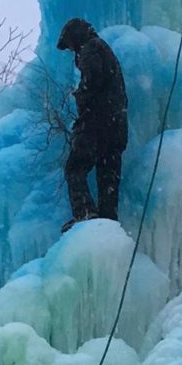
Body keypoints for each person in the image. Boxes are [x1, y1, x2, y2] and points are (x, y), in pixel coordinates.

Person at [57, 17, 128, 227]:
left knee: (75, 168)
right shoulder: (104, 50)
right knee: (108, 175)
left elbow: (92, 80)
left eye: (70, 46)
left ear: (76, 37)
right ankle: (108, 222)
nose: (72, 51)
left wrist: (80, 95)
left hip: (98, 123)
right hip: (116, 126)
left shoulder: (90, 48)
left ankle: (85, 212)